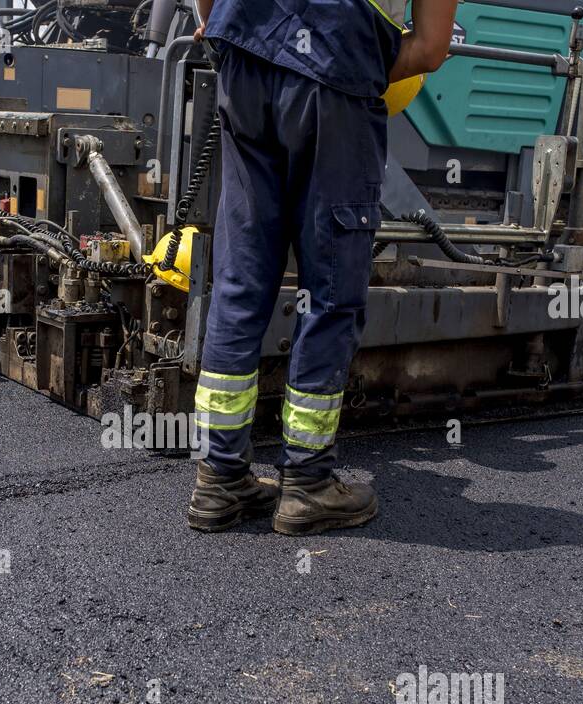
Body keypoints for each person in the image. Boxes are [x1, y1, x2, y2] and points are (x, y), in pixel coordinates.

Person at [185, 0, 458, 535]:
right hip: (335, 78)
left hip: (245, 59)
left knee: (240, 284)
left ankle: (219, 478)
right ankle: (307, 484)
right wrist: (352, 62)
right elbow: (429, 47)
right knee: (328, 292)